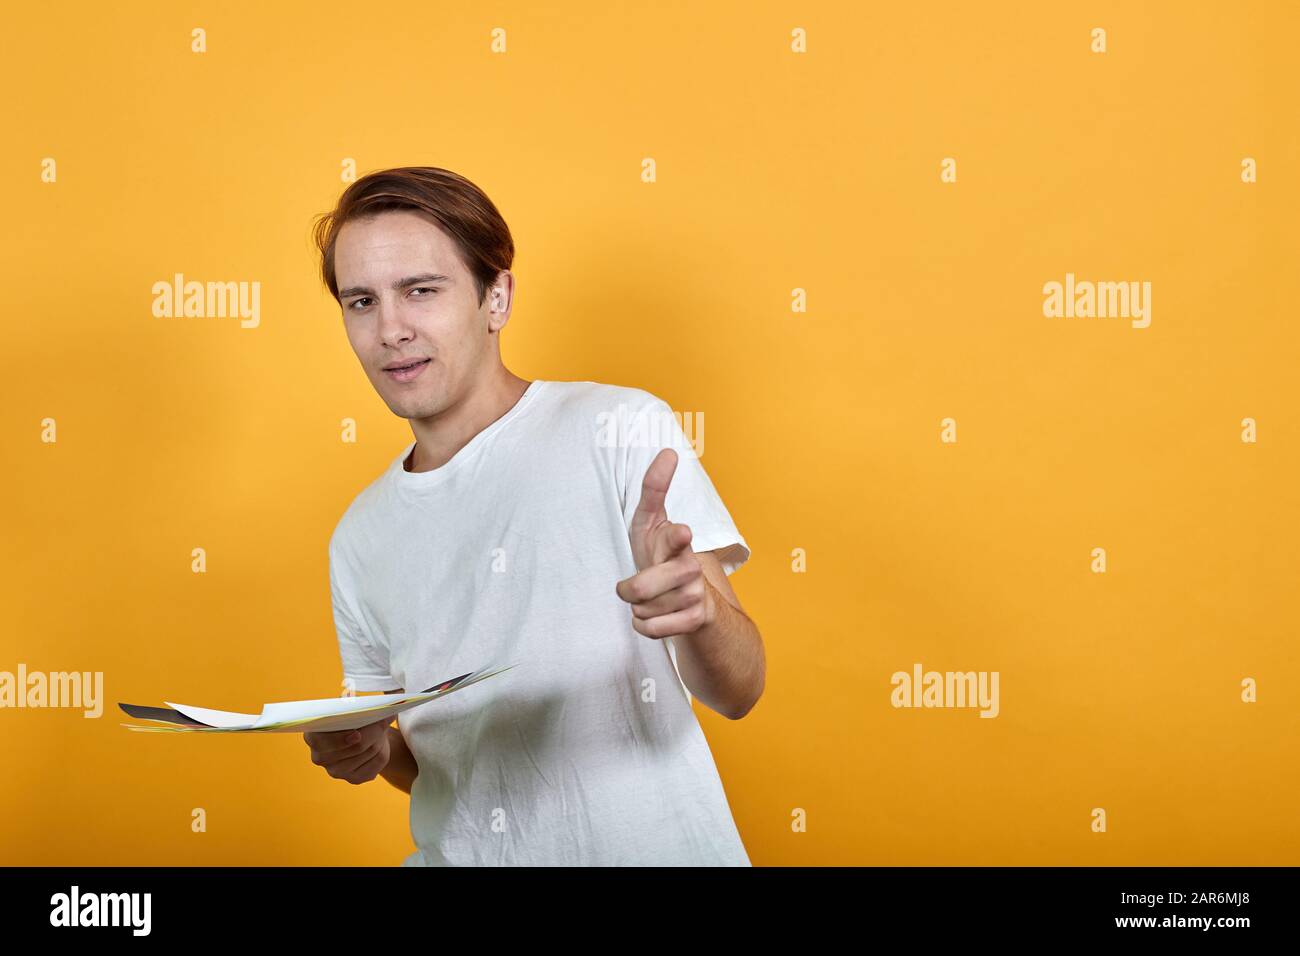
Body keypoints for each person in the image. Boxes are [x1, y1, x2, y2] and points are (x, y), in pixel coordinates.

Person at [302, 167, 765, 865]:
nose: (391, 329)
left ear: (497, 297)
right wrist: (372, 750)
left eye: (420, 291)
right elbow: (433, 765)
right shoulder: (358, 536)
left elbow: (741, 691)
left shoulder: (619, 427)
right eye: (361, 301)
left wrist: (699, 613)